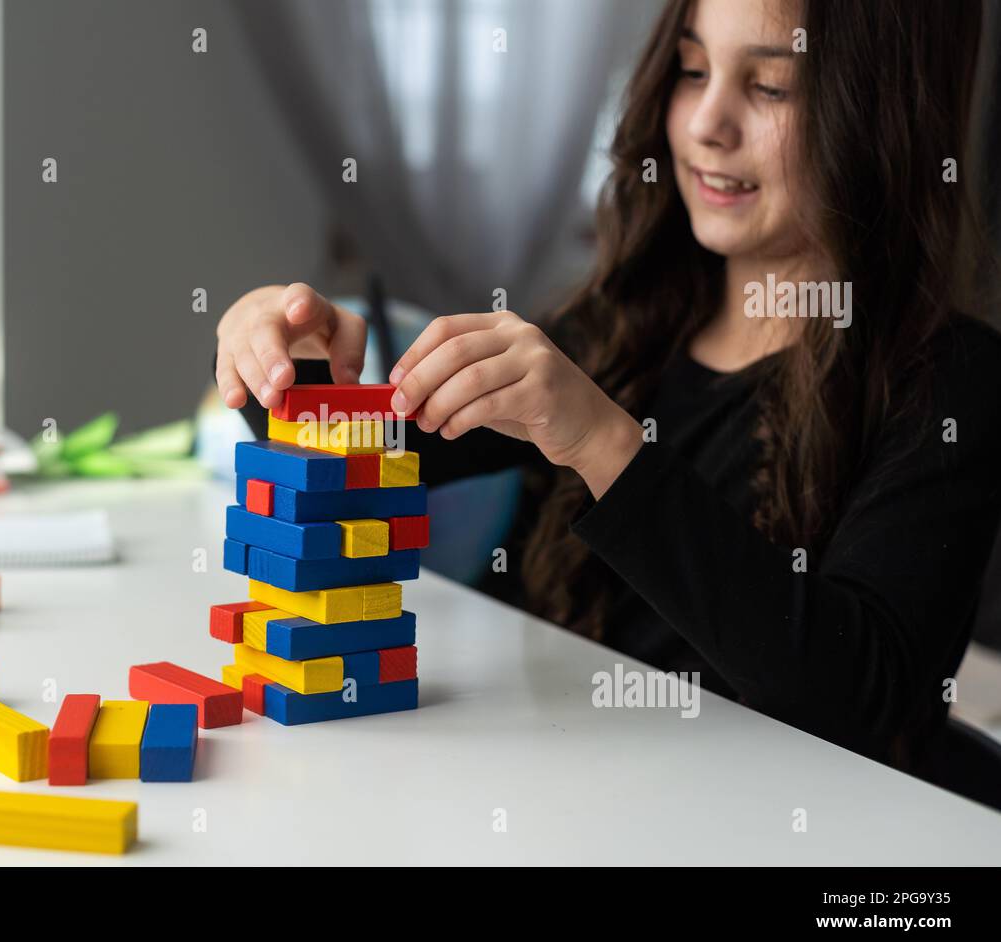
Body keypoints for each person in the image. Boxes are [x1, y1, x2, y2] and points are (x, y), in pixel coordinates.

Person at [213, 0, 1001, 774]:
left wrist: (605, 444)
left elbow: (860, 700)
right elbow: (377, 464)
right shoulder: (621, 323)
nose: (705, 124)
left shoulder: (948, 379)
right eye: (692, 70)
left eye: (770, 88)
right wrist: (294, 375)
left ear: (881, 110)